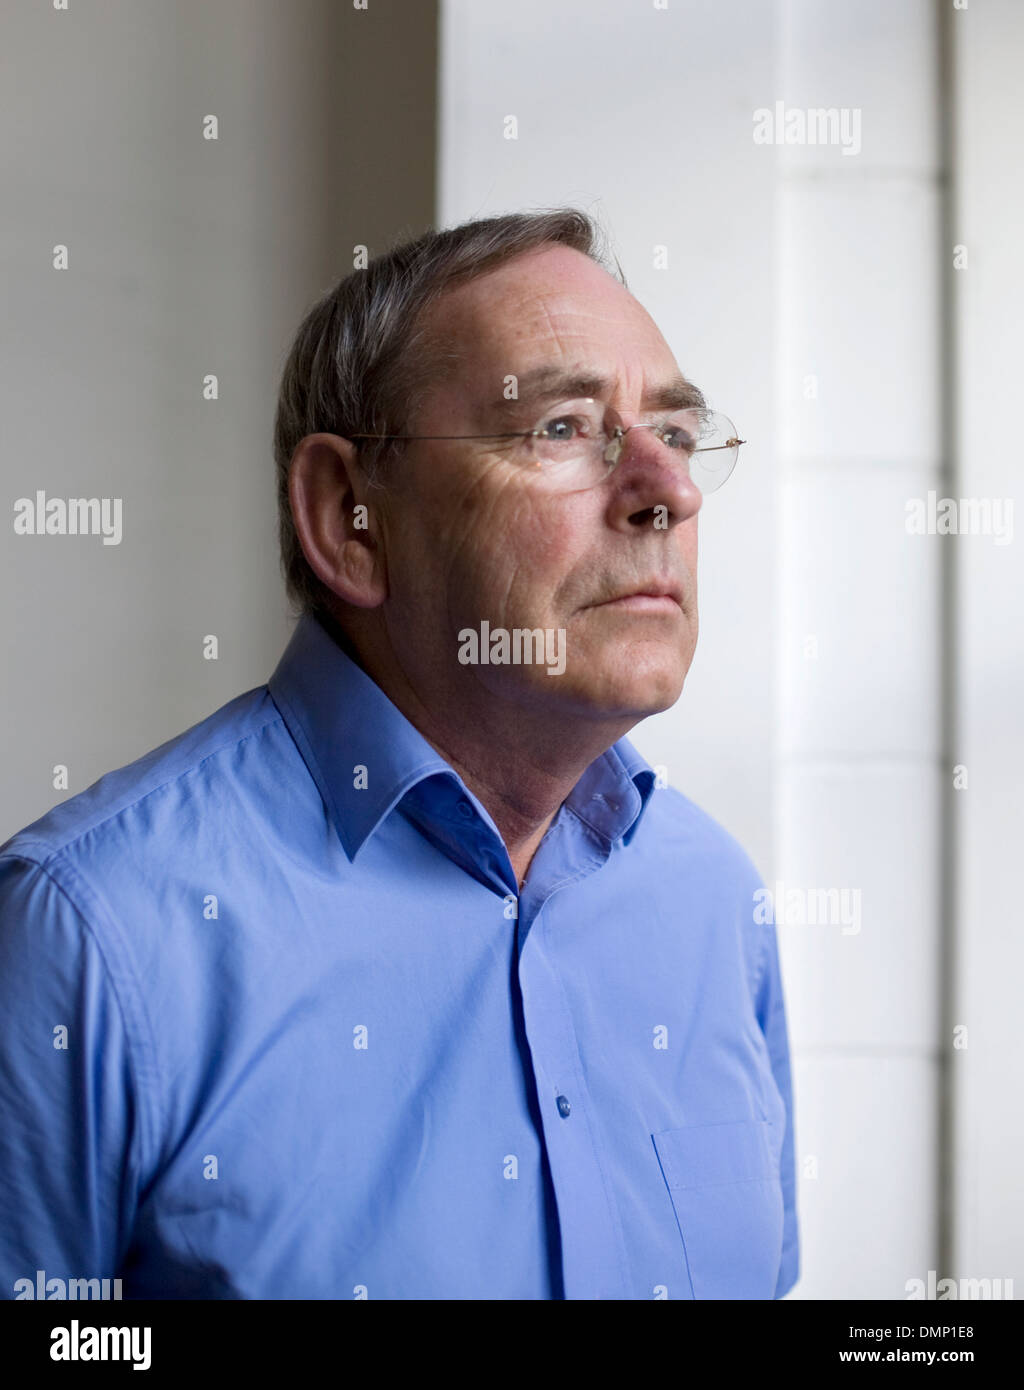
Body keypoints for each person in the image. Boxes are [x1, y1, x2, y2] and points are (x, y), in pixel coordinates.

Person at [0, 208, 798, 1300]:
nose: (669, 490)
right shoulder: (88, 932)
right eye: (563, 428)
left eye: (676, 429)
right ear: (348, 518)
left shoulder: (714, 902)